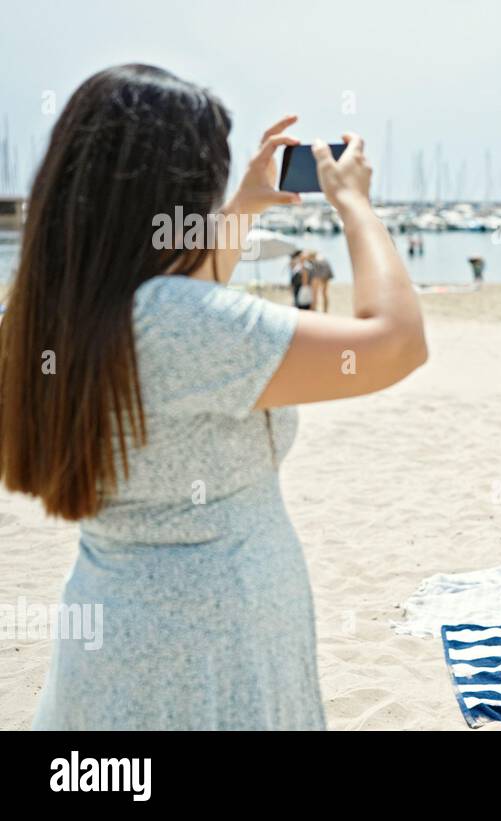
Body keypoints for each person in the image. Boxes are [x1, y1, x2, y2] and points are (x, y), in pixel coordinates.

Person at [0, 64, 428, 730]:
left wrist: (246, 206)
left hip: (111, 649)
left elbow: (176, 299)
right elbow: (397, 343)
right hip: (211, 660)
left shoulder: (45, 313)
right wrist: (355, 206)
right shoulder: (177, 323)